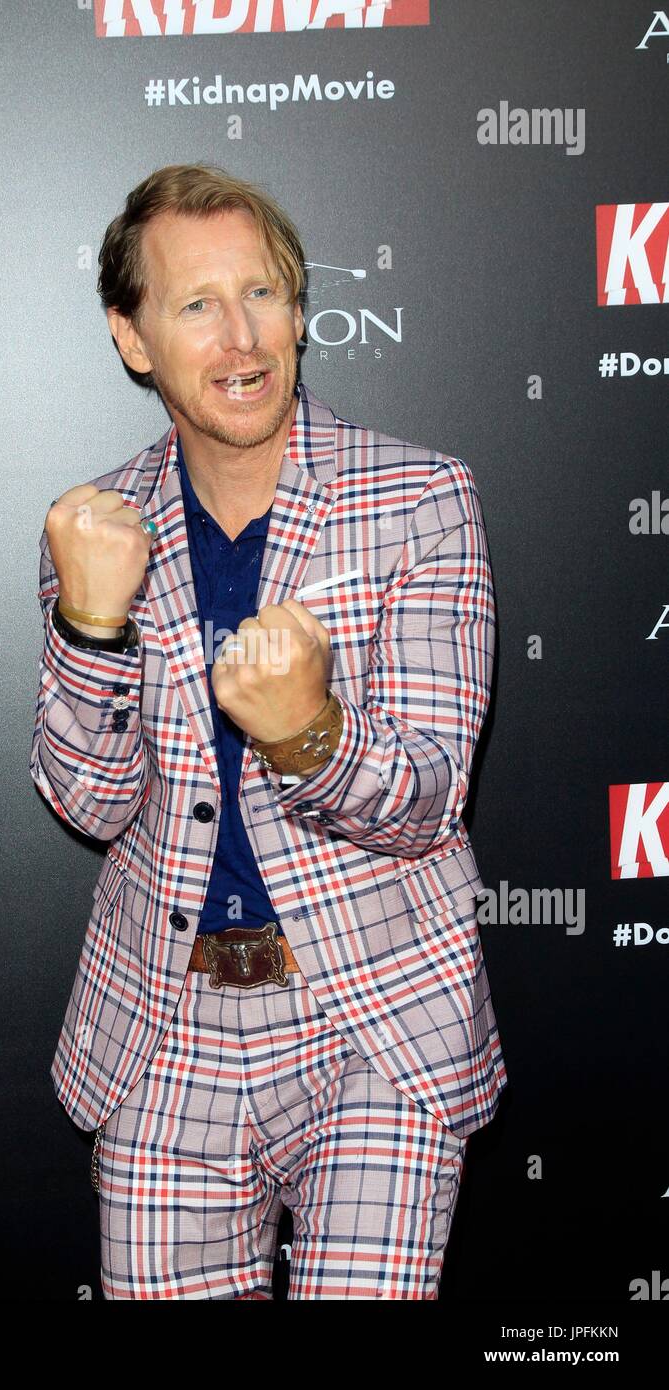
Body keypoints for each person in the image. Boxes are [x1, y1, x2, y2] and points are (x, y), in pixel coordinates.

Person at [30, 162, 508, 1300]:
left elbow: (431, 797)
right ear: (132, 337)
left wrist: (310, 736)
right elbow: (92, 802)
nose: (240, 337)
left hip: (373, 1022)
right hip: (164, 1033)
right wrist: (89, 625)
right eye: (196, 303)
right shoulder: (96, 529)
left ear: (299, 312)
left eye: (262, 293)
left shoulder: (419, 500)